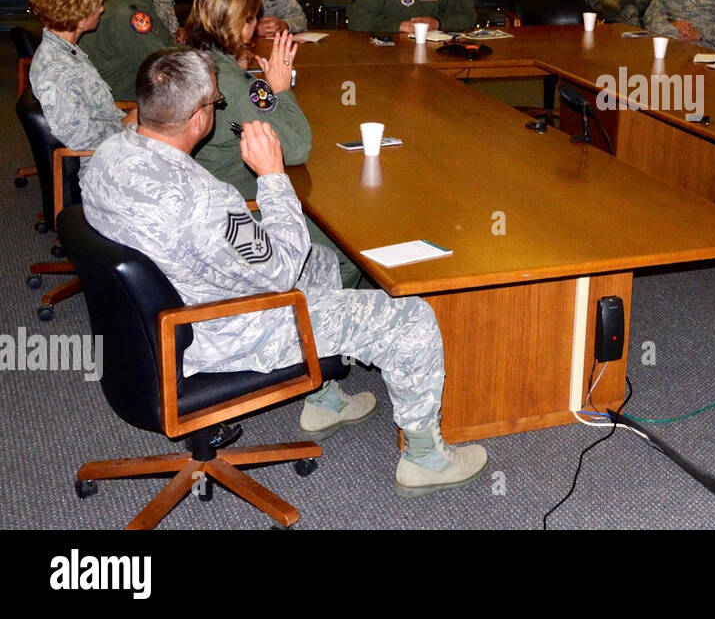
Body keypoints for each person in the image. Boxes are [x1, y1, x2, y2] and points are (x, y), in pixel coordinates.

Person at [80, 47, 487, 494]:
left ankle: (324, 398)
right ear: (198, 118)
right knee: (410, 316)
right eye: (215, 103)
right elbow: (280, 269)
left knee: (324, 259)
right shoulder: (202, 202)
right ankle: (426, 457)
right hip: (215, 331)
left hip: (152, 318)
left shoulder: (107, 155)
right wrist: (272, 175)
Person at [183, 0, 362, 290]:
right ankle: (311, 319)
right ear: (241, 23)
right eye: (251, 19)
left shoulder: (187, 57)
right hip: (240, 205)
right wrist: (280, 89)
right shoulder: (243, 88)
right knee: (346, 252)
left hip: (201, 195)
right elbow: (296, 148)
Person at [27, 0, 137, 149]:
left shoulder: (65, 49)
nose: (102, 9)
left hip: (117, 138)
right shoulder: (57, 71)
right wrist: (126, 123)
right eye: (98, 5)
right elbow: (81, 139)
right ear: (79, 17)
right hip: (106, 158)